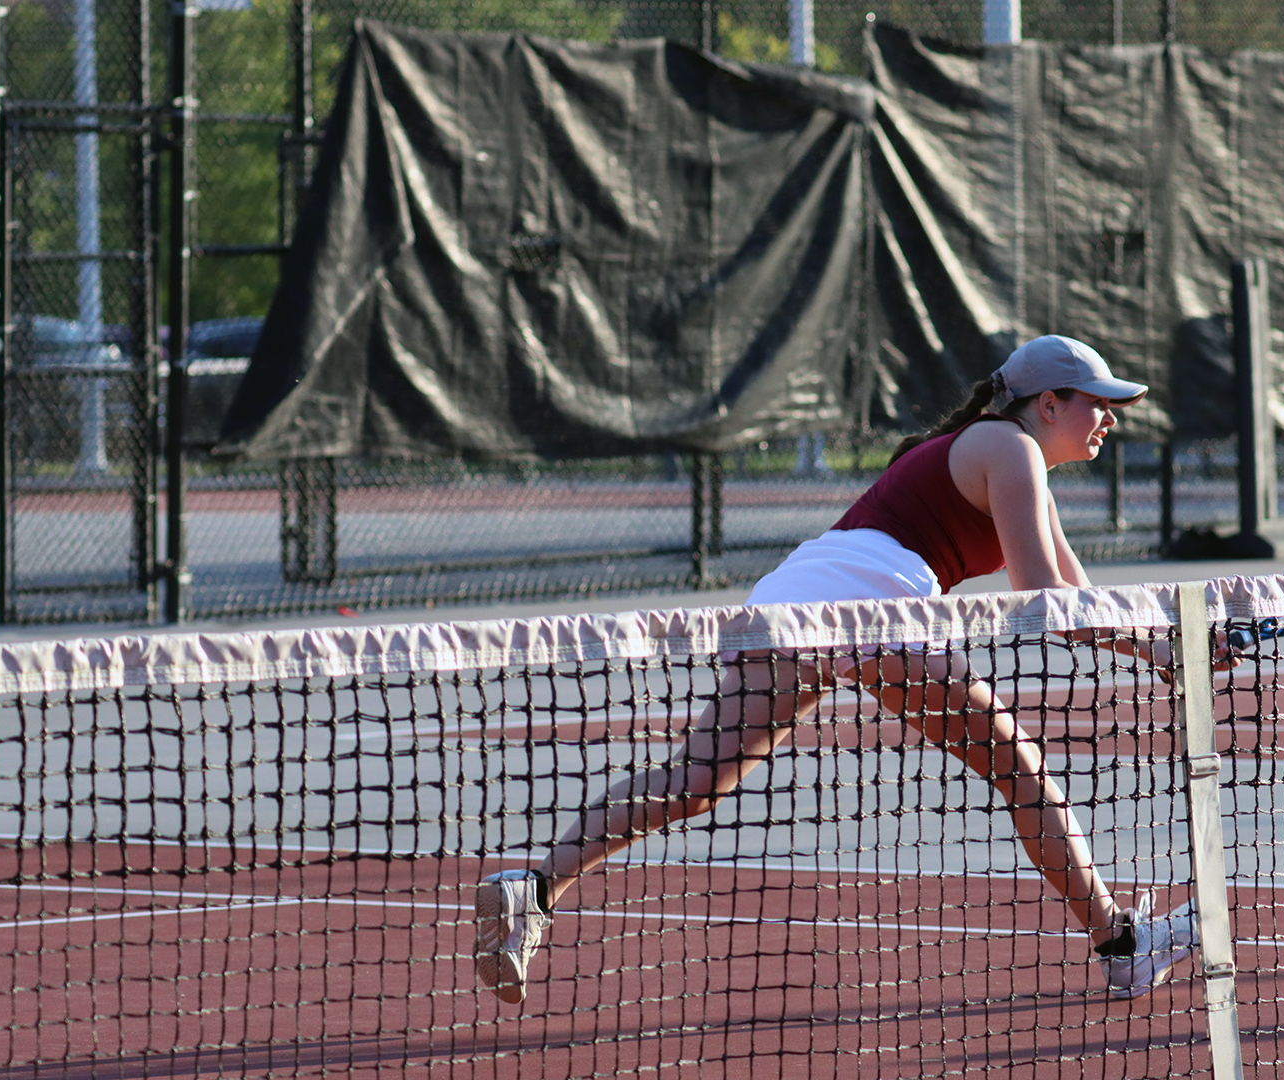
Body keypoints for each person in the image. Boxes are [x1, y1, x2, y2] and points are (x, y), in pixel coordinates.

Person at [474, 335, 1203, 1004]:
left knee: (697, 779)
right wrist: (1164, 646)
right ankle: (1120, 945)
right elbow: (1045, 602)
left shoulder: (1012, 458)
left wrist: (1168, 648)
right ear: (1049, 403)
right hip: (875, 608)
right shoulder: (1009, 450)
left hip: (792, 598)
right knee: (1020, 771)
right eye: (1098, 401)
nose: (1110, 416)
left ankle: (532, 887)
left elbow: (1079, 597)